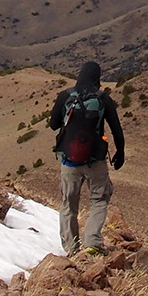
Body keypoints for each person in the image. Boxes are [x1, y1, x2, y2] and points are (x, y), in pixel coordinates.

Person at [47, 60, 125, 255]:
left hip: (69, 161)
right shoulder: (103, 98)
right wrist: (120, 152)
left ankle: (72, 249)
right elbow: (116, 129)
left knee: (68, 204)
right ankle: (92, 242)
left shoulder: (66, 95)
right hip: (95, 159)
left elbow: (53, 125)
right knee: (99, 199)